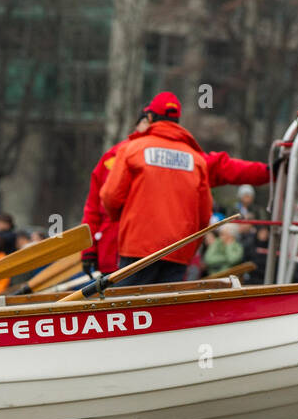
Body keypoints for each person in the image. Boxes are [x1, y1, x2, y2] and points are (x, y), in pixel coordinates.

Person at [82, 106, 267, 275]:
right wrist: (88, 251)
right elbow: (94, 208)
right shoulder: (116, 156)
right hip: (117, 257)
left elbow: (223, 168)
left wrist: (266, 172)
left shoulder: (182, 157)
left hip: (145, 255)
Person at [99, 91, 212, 286]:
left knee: (128, 308)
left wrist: (124, 219)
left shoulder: (132, 149)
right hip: (178, 252)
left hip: (137, 248)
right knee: (166, 311)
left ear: (150, 117)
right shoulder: (197, 160)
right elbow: (204, 216)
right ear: (177, 120)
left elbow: (110, 197)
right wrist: (188, 249)